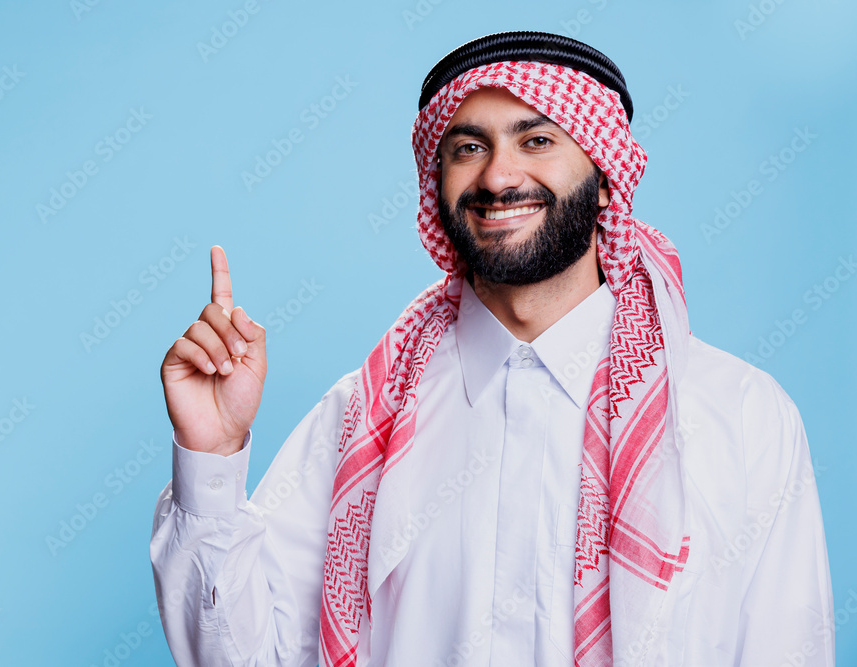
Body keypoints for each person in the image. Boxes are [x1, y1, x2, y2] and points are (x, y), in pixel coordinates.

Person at [150, 31, 834, 666]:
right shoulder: (360, 419)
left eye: (537, 140)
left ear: (604, 179)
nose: (498, 178)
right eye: (468, 148)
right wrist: (211, 456)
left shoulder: (739, 414)